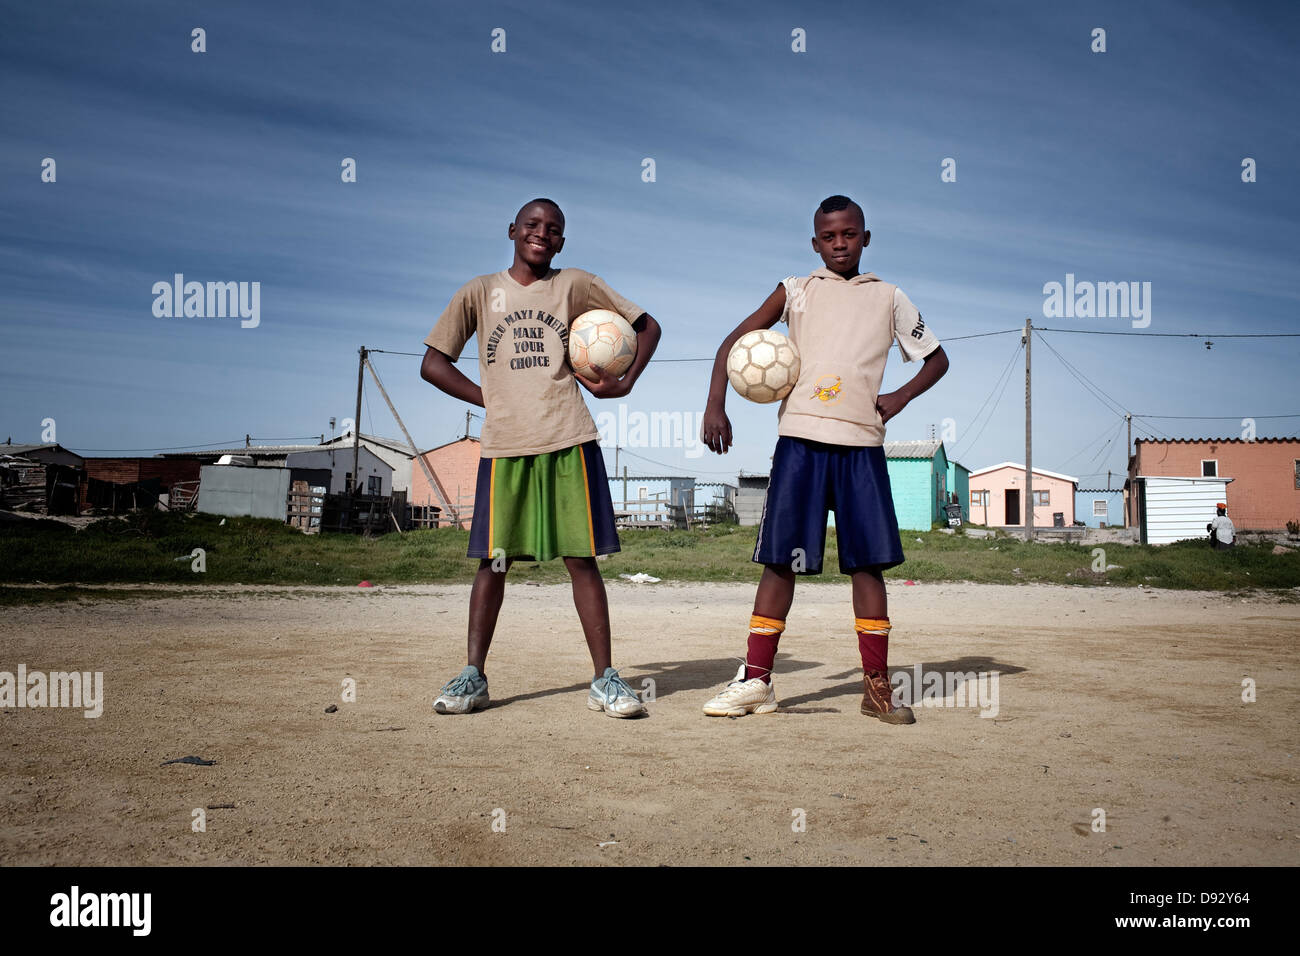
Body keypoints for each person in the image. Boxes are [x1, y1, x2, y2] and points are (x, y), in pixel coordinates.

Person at [699, 194, 949, 724]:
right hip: (801, 443)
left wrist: (899, 398)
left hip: (861, 445)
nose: (840, 244)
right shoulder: (796, 291)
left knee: (868, 564)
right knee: (780, 563)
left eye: (850, 234)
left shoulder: (889, 297)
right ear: (816, 243)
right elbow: (733, 342)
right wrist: (715, 402)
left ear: (866, 237)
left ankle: (877, 687)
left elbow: (937, 358)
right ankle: (757, 681)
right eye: (829, 237)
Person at [419, 198, 662, 717]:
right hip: (505, 447)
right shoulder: (479, 292)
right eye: (532, 225)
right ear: (511, 230)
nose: (542, 234)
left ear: (562, 241)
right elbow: (433, 364)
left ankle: (605, 679)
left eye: (553, 229)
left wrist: (622, 383)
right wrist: (491, 396)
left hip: (569, 439)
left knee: (582, 560)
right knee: (494, 562)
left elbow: (648, 327)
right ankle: (472, 676)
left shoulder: (572, 284)